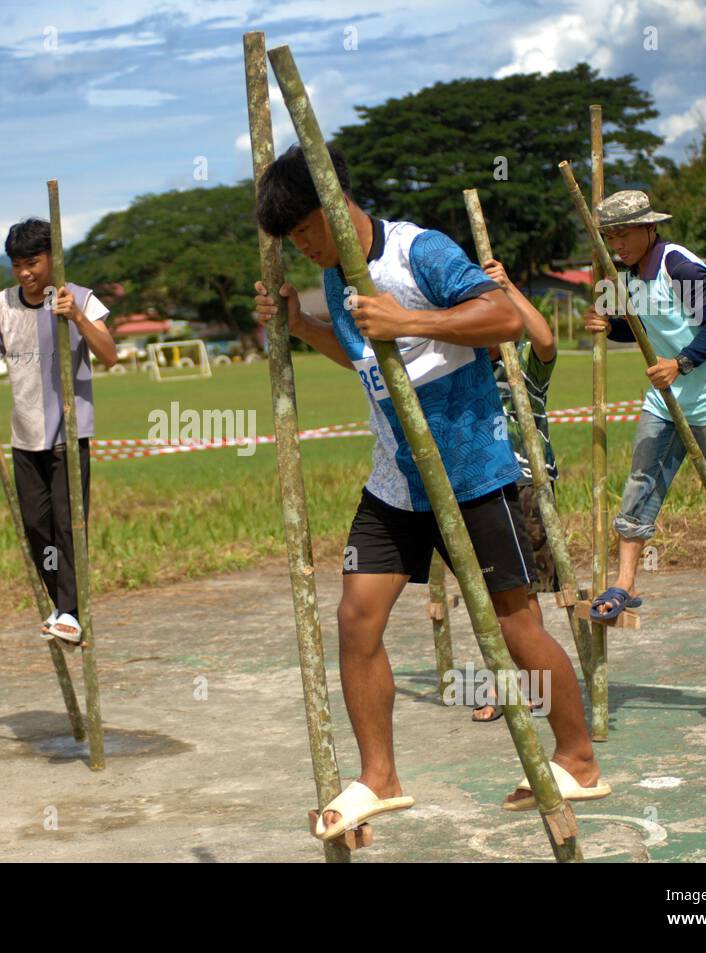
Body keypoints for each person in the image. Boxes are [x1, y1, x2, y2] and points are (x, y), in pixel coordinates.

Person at [253, 144, 607, 838]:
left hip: (473, 474)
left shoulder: (421, 252)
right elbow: (364, 357)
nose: (302, 249)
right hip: (395, 481)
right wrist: (300, 326)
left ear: (333, 208)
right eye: (291, 242)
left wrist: (411, 319)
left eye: (303, 234)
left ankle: (578, 758)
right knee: (356, 617)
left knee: (514, 626)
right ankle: (378, 777)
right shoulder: (333, 278)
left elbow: (502, 317)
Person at [582, 190, 706, 624]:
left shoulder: (677, 266)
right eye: (611, 237)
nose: (618, 245)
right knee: (641, 483)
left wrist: (680, 364)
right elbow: (644, 330)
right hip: (664, 401)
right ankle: (625, 582)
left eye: (624, 234)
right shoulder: (629, 275)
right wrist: (609, 327)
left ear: (649, 228)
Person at [0, 218, 118, 644]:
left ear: (51, 258)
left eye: (33, 262)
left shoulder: (79, 298)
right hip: (25, 436)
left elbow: (110, 354)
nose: (26, 273)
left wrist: (76, 316)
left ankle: (71, 613)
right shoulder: (1, 305)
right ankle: (60, 607)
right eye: (17, 265)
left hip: (69, 434)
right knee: (36, 526)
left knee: (68, 525)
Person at [474, 259, 558, 723]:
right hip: (479, 488)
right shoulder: (463, 371)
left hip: (525, 483)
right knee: (489, 593)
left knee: (522, 594)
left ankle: (532, 682)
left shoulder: (521, 363)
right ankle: (501, 682)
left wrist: (507, 286)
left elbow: (546, 341)